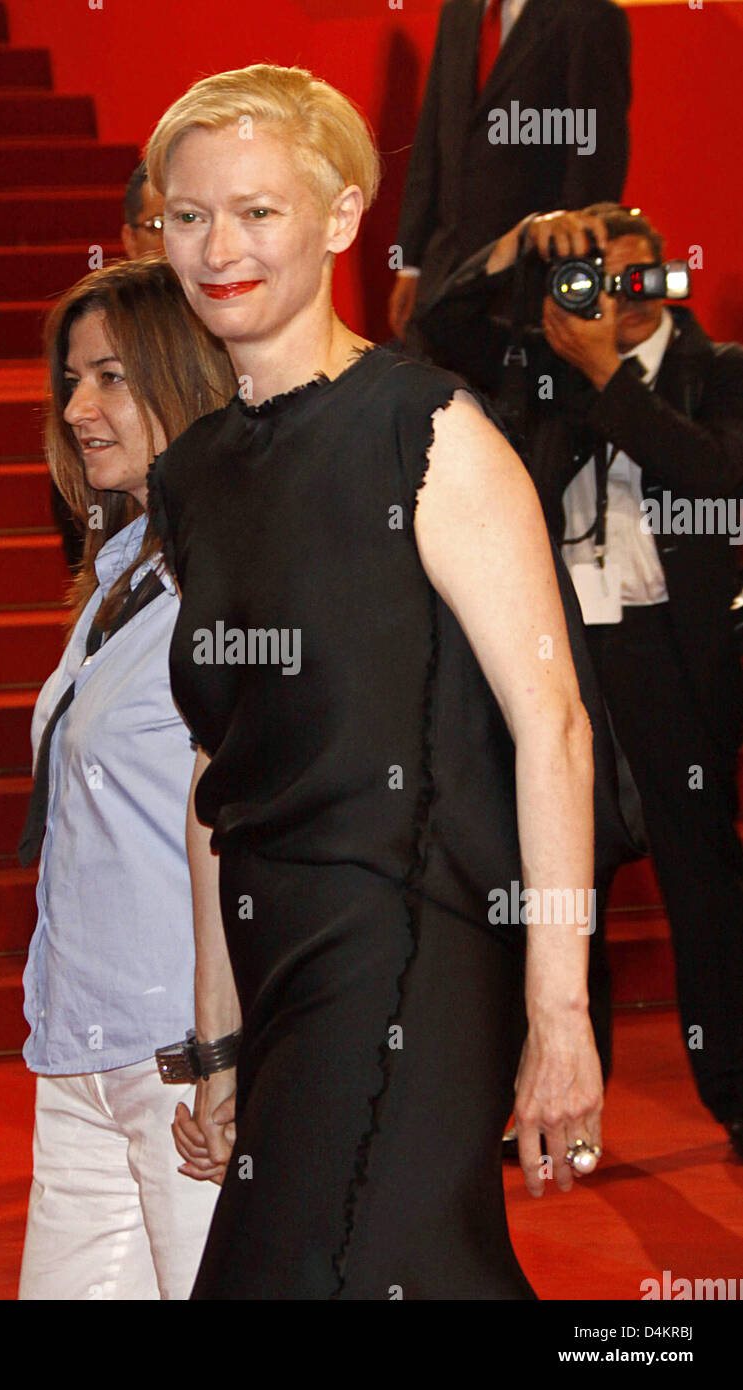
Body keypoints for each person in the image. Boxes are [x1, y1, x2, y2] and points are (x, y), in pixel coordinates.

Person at [144, 63, 612, 1301]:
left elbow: (552, 725)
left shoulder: (431, 429)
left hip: (413, 939)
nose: (218, 249)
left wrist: (559, 1006)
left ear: (344, 217)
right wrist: (221, 1033)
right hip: (281, 951)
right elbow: (215, 772)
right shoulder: (192, 476)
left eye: (258, 211)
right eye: (186, 217)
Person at [421, 203, 743, 1161]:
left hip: (670, 656)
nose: (624, 298)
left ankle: (734, 1095)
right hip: (559, 649)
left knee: (702, 878)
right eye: (603, 278)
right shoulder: (536, 367)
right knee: (561, 881)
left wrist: (607, 372)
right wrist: (513, 243)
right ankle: (566, 1107)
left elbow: (718, 477)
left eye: (644, 278)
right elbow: (438, 329)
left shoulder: (715, 371)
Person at [16, 255, 237, 1299]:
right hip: (78, 1047)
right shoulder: (122, 571)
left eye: (109, 377)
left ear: (183, 378)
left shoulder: (237, 582)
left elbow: (241, 828)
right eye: (72, 379)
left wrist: (224, 1044)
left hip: (184, 1059)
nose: (77, 407)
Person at [388, 0, 630, 345]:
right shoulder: (459, 8)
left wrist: (572, 277)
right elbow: (433, 132)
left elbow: (595, 161)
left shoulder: (589, 15)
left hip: (528, 287)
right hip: (442, 278)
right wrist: (411, 264)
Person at [52, 162, 167, 570]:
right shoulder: (92, 326)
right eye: (158, 223)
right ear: (128, 238)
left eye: (188, 220)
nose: (75, 410)